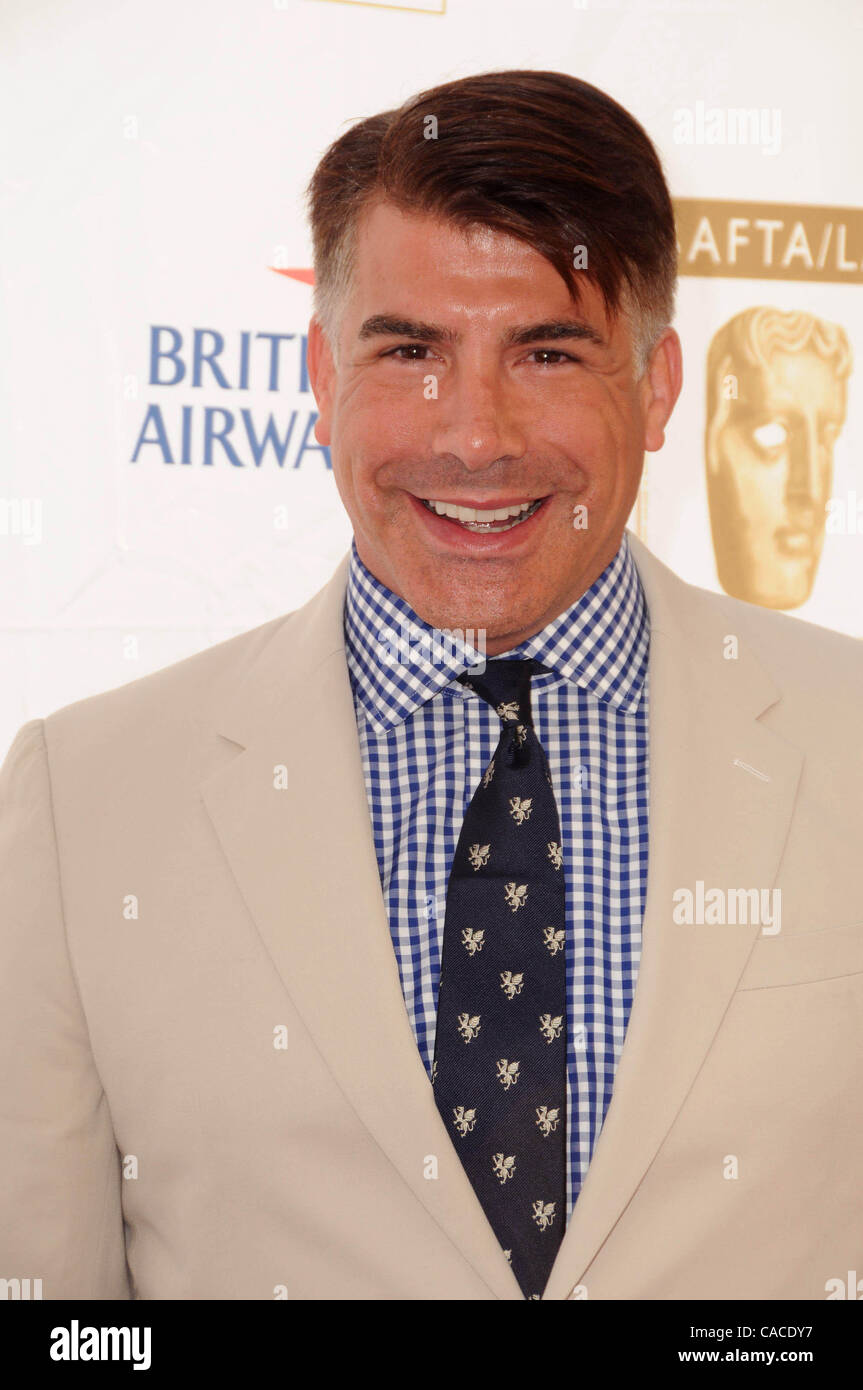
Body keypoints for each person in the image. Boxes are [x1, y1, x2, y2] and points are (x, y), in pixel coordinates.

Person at [1, 69, 861, 1302]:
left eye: (547, 351)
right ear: (319, 377)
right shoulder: (84, 808)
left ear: (658, 385)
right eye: (409, 351)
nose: (472, 434)